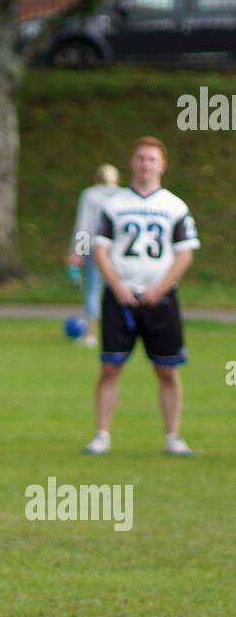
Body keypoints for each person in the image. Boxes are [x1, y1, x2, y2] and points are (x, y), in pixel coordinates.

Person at [83, 137, 199, 457]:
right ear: (132, 163)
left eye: (152, 159)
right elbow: (101, 249)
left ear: (162, 165)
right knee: (110, 367)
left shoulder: (174, 206)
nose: (145, 164)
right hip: (120, 298)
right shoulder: (114, 205)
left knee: (167, 369)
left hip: (160, 301)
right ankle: (102, 435)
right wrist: (118, 287)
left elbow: (184, 254)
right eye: (141, 158)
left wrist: (160, 288)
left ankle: (173, 436)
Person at [67, 163, 120, 346]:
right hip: (118, 250)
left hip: (96, 248)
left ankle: (91, 334)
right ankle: (118, 332)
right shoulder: (123, 195)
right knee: (117, 289)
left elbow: (84, 224)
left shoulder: (90, 195)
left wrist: (78, 251)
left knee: (93, 290)